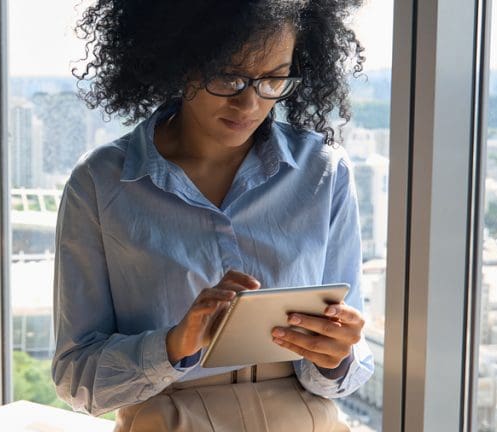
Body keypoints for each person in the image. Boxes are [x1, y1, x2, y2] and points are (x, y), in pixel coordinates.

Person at [52, 1, 374, 430]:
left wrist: (336, 356)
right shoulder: (100, 183)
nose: (249, 103)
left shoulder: (324, 171)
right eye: (228, 77)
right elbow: (76, 377)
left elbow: (347, 368)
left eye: (274, 79)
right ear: (179, 60)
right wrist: (173, 346)